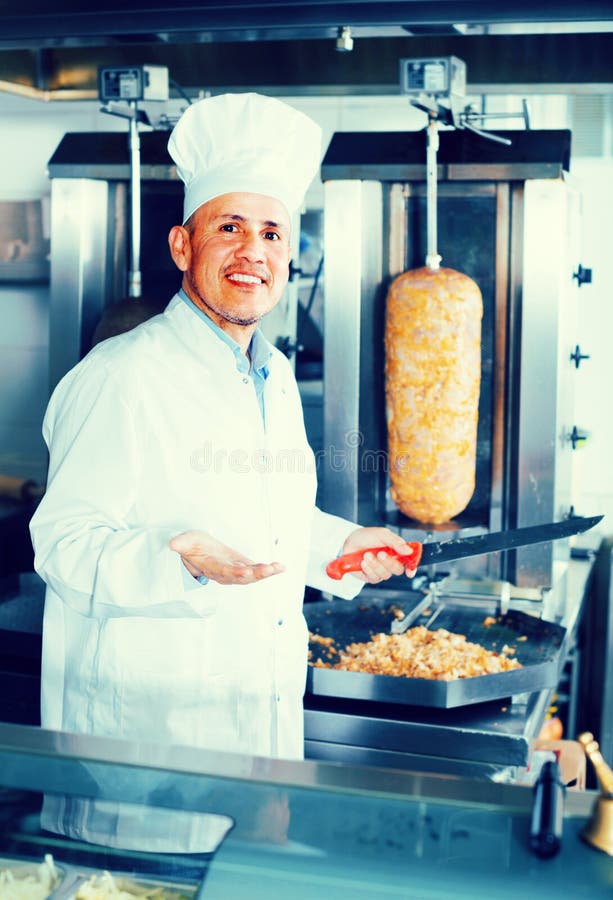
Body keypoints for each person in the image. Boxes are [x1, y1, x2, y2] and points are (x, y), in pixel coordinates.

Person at [29, 92, 417, 851]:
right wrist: (178, 560)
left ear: (290, 253)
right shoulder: (123, 376)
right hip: (142, 748)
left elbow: (266, 522)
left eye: (271, 232)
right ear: (182, 246)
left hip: (257, 728)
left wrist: (339, 547)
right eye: (229, 227)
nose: (253, 251)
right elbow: (63, 544)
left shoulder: (269, 377)